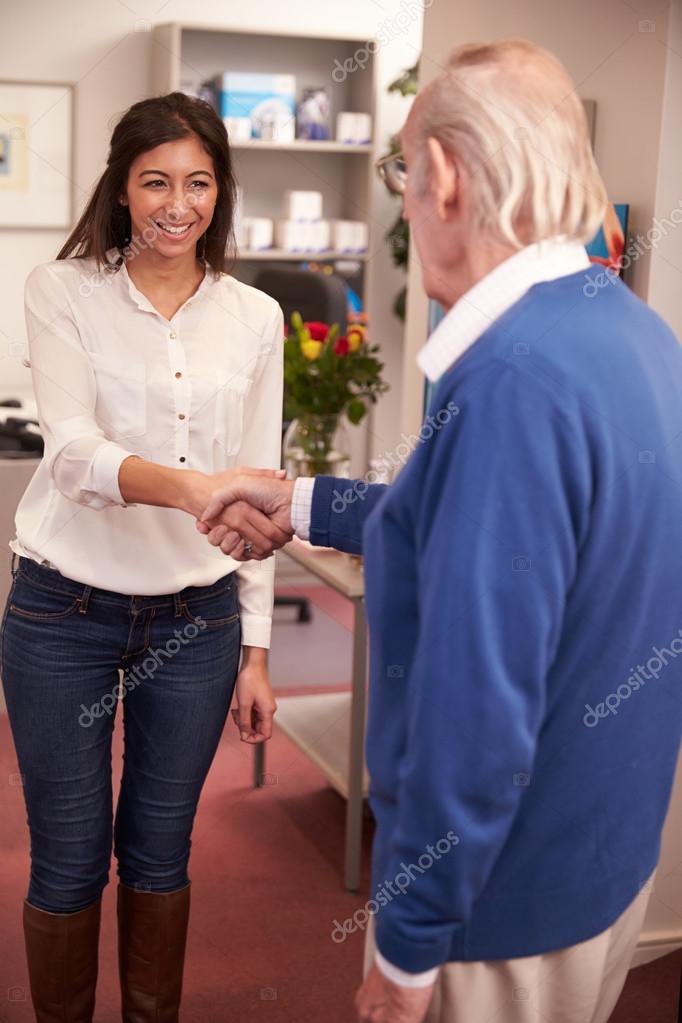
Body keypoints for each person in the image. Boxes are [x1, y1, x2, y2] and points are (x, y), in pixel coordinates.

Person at [194, 40, 682, 1023]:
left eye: (401, 174)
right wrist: (302, 501)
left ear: (443, 177)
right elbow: (514, 538)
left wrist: (408, 945)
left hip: (500, 905)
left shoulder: (507, 382)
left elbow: (476, 707)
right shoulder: (627, 328)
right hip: (605, 850)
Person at [0, 92, 289, 1022]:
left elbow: (259, 489)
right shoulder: (64, 289)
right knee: (69, 855)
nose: (179, 202)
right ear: (122, 190)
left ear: (221, 191)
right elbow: (74, 453)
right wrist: (197, 489)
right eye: (156, 180)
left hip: (197, 619)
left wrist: (256, 650)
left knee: (163, 851)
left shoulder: (255, 315)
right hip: (62, 615)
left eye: (199, 181)